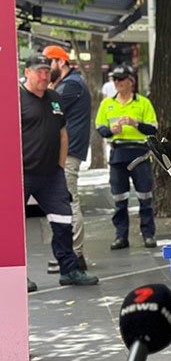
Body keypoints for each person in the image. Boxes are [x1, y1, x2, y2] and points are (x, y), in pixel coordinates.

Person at [20, 53, 99, 290]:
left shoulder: (54, 97)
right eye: (39, 72)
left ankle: (69, 269)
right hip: (22, 173)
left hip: (52, 174)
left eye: (47, 71)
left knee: (64, 220)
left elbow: (63, 132)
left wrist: (60, 166)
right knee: (14, 227)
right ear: (27, 73)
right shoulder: (16, 98)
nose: (44, 76)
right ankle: (17, 276)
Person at [95, 64, 159, 250]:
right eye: (114, 79)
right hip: (118, 154)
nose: (117, 83)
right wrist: (111, 130)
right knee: (119, 199)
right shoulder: (107, 103)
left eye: (121, 79)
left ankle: (148, 235)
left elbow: (153, 128)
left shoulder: (143, 103)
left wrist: (136, 123)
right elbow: (100, 128)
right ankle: (120, 237)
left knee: (145, 197)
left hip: (139, 153)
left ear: (131, 81)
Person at [43, 45, 91, 272]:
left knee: (70, 200)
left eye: (48, 63)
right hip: (69, 150)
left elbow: (46, 104)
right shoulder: (70, 83)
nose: (44, 70)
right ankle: (73, 254)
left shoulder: (70, 85)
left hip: (69, 151)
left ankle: (74, 253)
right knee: (67, 198)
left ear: (60, 62)